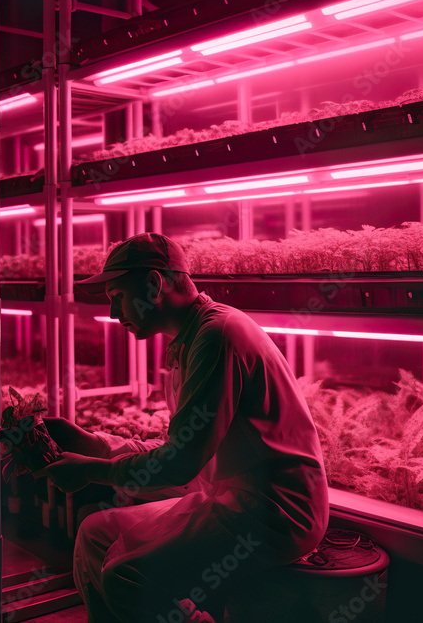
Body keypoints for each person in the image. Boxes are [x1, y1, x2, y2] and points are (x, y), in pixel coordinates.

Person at [36, 233, 329, 623]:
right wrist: (94, 444)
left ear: (155, 285)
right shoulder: (188, 341)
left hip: (272, 511)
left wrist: (91, 471)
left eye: (117, 297)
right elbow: (179, 448)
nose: (110, 313)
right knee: (94, 534)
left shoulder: (217, 336)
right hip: (226, 496)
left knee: (126, 574)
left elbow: (179, 464)